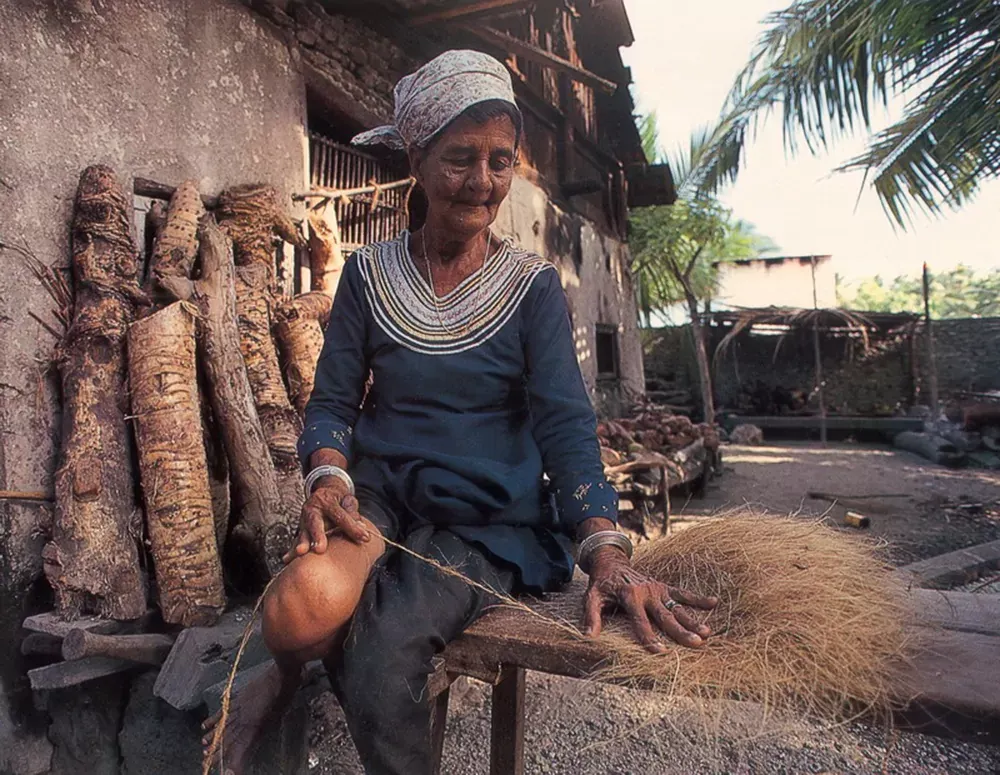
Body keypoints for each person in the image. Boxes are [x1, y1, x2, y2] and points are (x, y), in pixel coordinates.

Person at [203, 49, 717, 775]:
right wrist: (328, 477)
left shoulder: (532, 289)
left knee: (382, 663)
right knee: (297, 607)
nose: (482, 183)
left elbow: (567, 427)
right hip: (382, 499)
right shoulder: (371, 275)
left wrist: (606, 551)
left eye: (500, 161)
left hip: (485, 518)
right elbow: (333, 401)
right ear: (416, 156)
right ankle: (282, 675)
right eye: (459, 158)